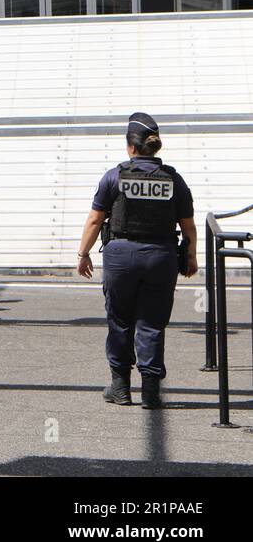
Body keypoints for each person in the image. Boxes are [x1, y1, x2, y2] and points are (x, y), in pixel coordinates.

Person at [76, 113, 197, 409]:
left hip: (121, 257)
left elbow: (95, 220)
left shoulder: (114, 176)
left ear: (131, 146)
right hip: (161, 256)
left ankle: (120, 387)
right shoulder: (173, 179)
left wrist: (83, 254)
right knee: (152, 323)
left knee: (119, 320)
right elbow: (189, 225)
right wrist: (191, 255)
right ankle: (151, 391)